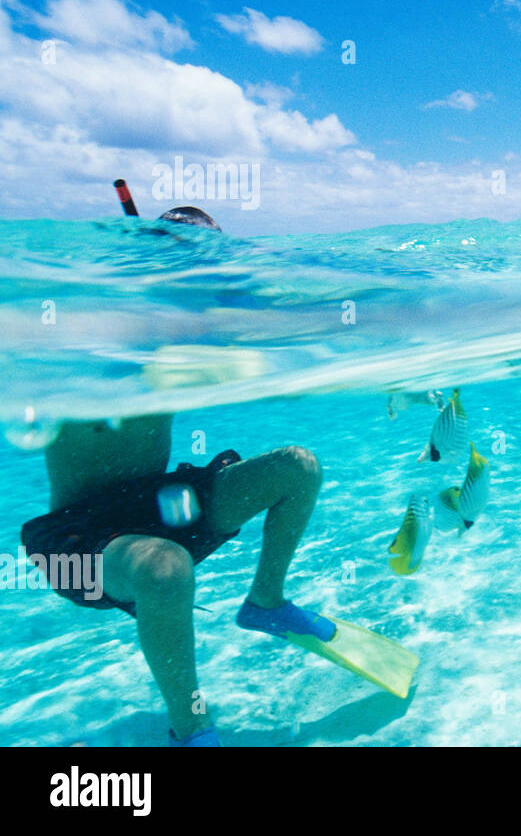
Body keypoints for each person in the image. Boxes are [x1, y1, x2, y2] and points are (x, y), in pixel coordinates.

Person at [20, 207, 380, 747]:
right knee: (165, 568)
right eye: (178, 251)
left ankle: (266, 604)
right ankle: (190, 728)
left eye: (207, 260)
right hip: (80, 539)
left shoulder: (189, 325)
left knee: (296, 467)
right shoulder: (84, 324)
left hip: (158, 503)